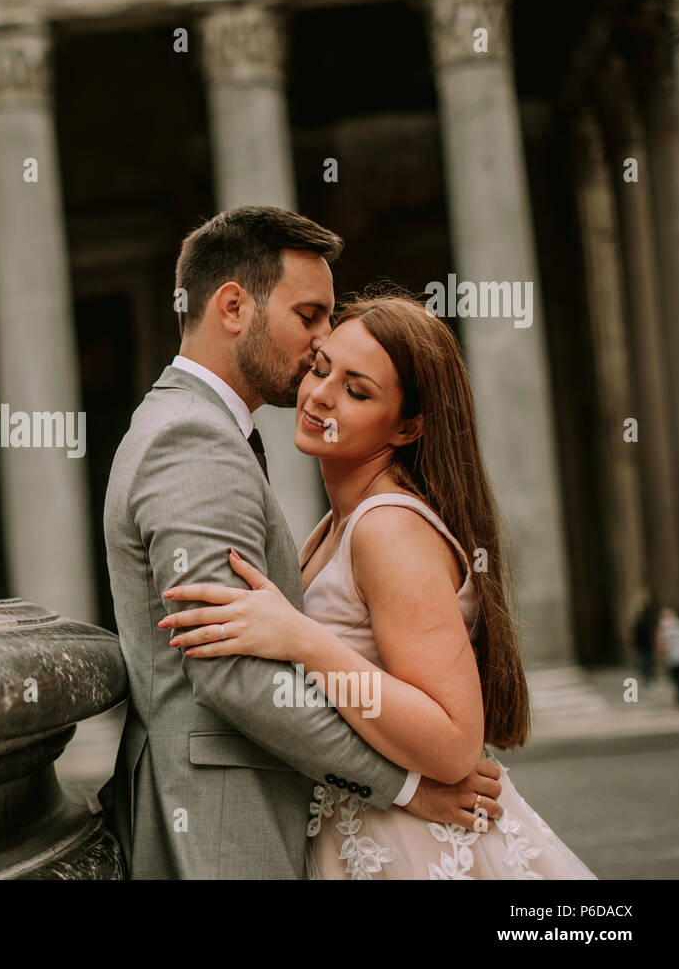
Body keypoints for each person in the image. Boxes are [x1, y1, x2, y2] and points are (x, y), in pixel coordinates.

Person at [97, 208, 505, 880]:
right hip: (223, 826)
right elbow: (231, 670)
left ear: (406, 427)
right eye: (311, 316)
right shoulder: (191, 440)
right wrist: (406, 787)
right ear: (233, 307)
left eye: (356, 385)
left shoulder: (194, 429)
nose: (323, 341)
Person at [163, 292, 596, 879]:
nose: (319, 396)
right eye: (322, 369)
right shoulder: (337, 524)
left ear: (408, 427)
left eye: (357, 391)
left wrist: (303, 641)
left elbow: (452, 743)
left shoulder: (387, 527)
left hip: (416, 847)